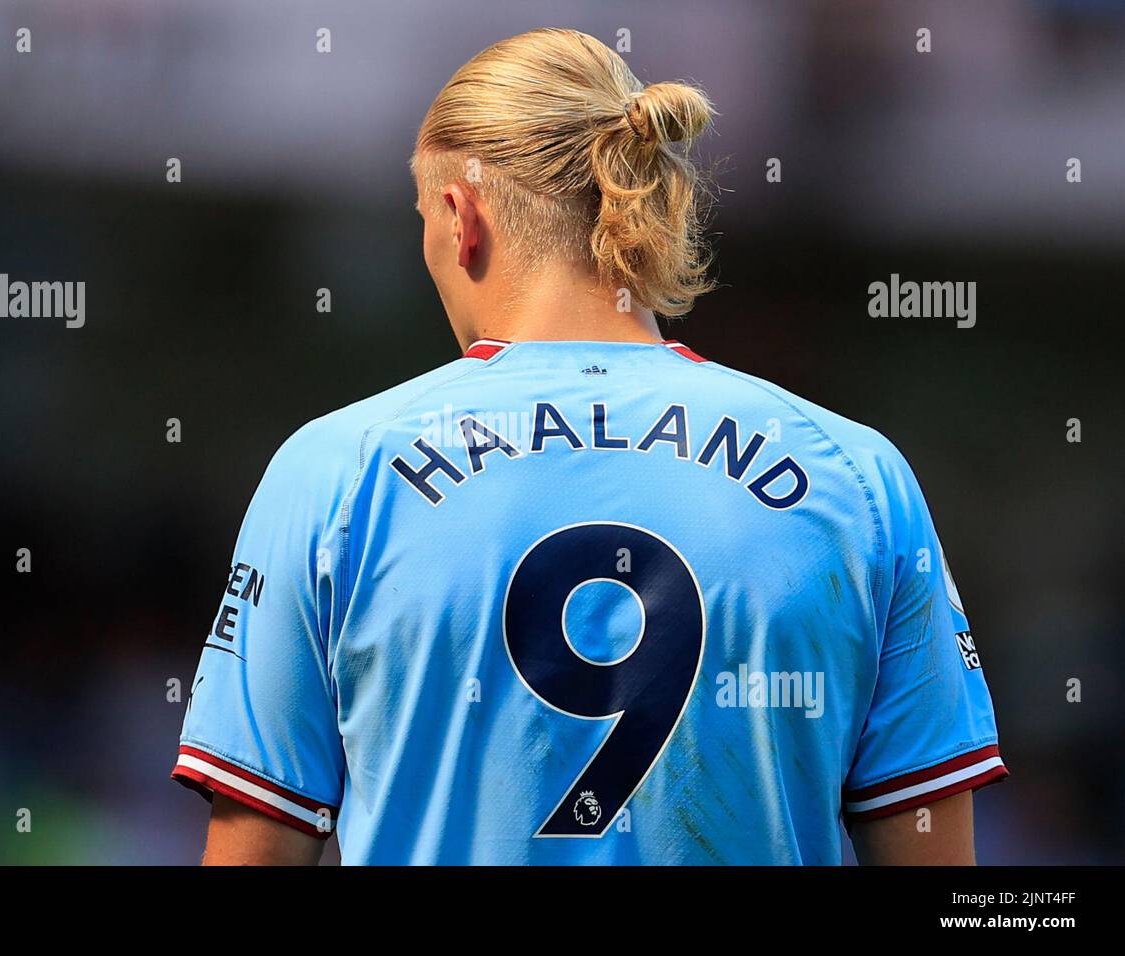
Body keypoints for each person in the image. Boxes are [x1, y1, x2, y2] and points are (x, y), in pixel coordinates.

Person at [172, 28, 1006, 865]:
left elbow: (258, 847)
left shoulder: (335, 471)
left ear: (461, 220)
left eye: (423, 218)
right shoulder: (860, 478)